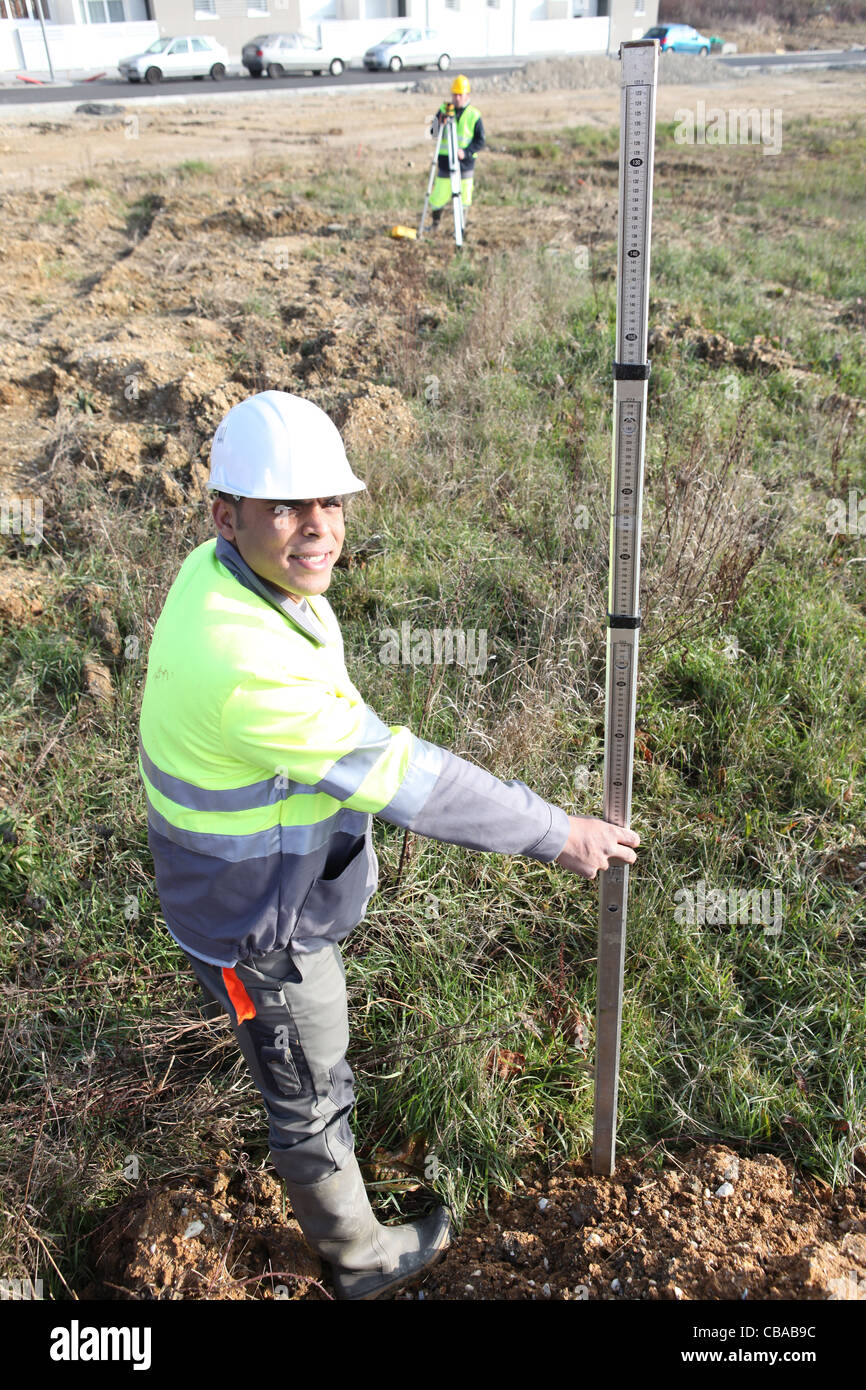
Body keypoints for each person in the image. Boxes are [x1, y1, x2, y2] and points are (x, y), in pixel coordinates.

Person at [137, 390, 640, 1300]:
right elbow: (416, 783)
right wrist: (557, 831)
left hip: (264, 887)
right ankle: (360, 1257)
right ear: (226, 513)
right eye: (287, 506)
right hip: (260, 929)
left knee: (310, 1061)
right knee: (306, 1081)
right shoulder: (243, 665)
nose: (318, 529)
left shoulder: (220, 574)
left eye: (330, 503)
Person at [429, 73, 485, 234]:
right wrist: (440, 121)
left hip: (465, 163)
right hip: (446, 162)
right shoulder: (443, 110)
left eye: (460, 95)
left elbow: (480, 141)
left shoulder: (474, 114)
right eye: (455, 94)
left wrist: (466, 152)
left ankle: (460, 228)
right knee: (439, 195)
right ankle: (435, 224)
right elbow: (432, 133)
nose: (457, 98)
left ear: (467, 95)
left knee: (464, 197)